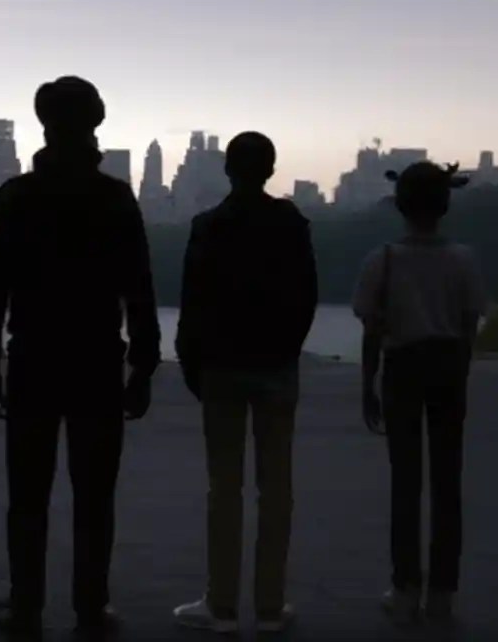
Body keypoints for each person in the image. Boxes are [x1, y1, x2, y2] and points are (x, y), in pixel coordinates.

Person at [0, 76, 162, 634]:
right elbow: (140, 288)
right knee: (94, 494)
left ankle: (26, 600)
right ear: (95, 122)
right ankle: (90, 603)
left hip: (32, 357)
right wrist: (144, 365)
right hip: (98, 360)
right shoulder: (114, 198)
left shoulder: (15, 197)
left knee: (27, 494)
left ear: (43, 123)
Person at [171, 132, 317, 635]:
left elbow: (192, 303)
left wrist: (192, 363)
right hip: (276, 365)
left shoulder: (208, 226)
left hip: (222, 366)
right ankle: (271, 606)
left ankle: (222, 604)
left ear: (227, 170)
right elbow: (307, 296)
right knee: (277, 488)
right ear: (271, 169)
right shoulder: (292, 224)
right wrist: (288, 349)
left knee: (224, 487)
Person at [352, 162, 486, 624]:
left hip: (402, 369)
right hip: (449, 366)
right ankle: (443, 592)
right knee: (448, 483)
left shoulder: (382, 260)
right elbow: (470, 325)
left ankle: (405, 587)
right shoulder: (463, 259)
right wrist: (461, 371)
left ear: (401, 206)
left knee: (405, 483)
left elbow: (371, 328)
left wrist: (367, 384)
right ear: (445, 205)